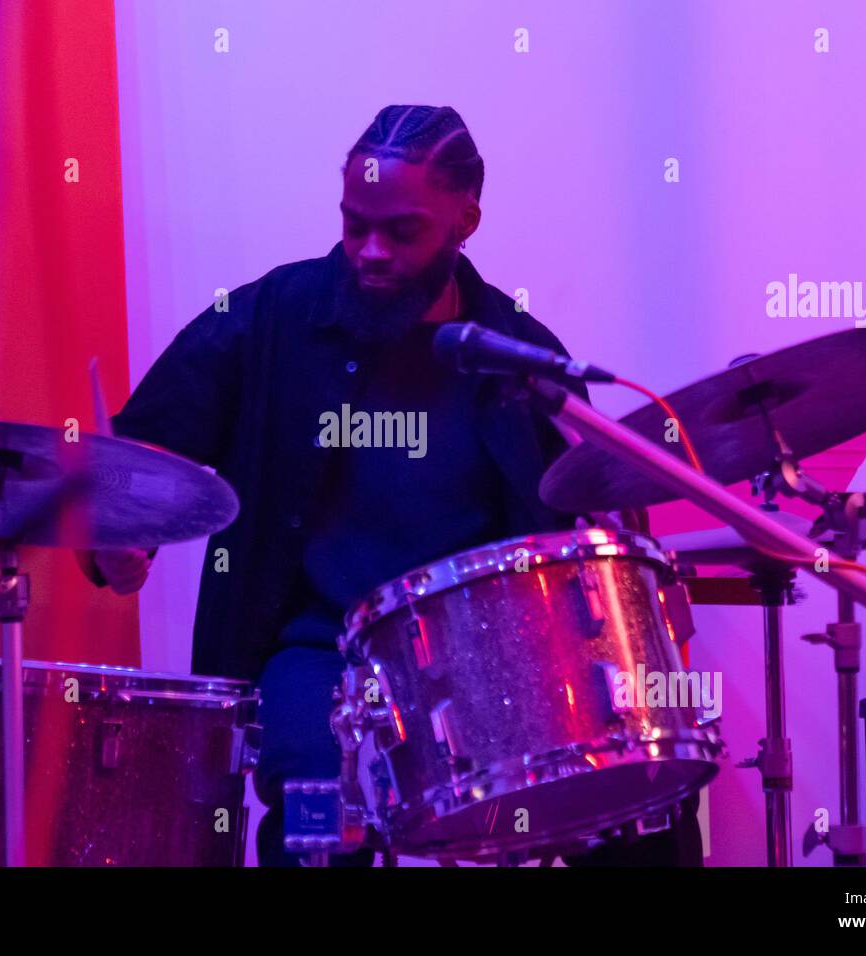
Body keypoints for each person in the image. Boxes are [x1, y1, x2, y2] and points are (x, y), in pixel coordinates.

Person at [81, 104, 701, 867]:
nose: (369, 251)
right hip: (321, 648)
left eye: (400, 231)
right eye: (354, 226)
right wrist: (115, 533)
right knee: (318, 789)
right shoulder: (271, 318)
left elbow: (591, 523)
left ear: (464, 218)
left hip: (491, 652)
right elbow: (136, 455)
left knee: (637, 793)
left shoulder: (519, 353)